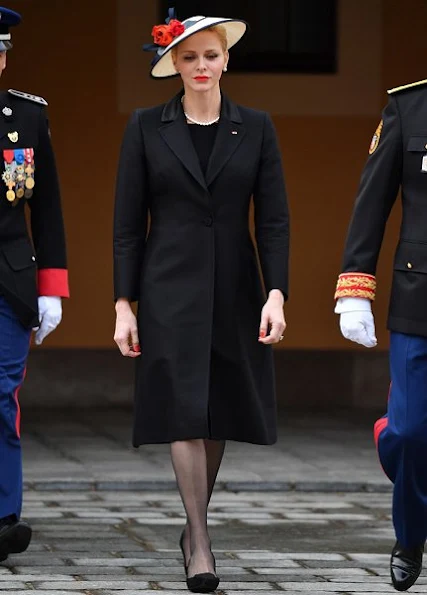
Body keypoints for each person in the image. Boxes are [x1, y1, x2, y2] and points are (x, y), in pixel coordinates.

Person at [114, 10, 289, 593]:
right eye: (189, 58)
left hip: (237, 287)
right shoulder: (145, 126)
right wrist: (124, 303)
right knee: (184, 408)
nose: (201, 67)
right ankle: (201, 540)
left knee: (215, 411)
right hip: (168, 287)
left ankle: (194, 530)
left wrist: (275, 292)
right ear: (174, 66)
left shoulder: (257, 126)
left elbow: (274, 222)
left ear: (226, 59)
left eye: (210, 55)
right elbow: (126, 226)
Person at [334, 77, 427, 591]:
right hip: (420, 297)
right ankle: (411, 535)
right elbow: (373, 202)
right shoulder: (409, 107)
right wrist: (354, 289)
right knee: (411, 434)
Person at [0, 7, 69, 563]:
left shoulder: (27, 117)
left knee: (0, 397)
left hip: (9, 283)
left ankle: (3, 517)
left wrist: (51, 287)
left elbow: (47, 209)